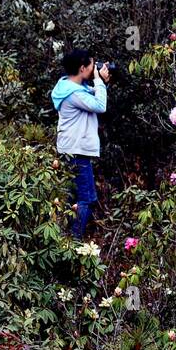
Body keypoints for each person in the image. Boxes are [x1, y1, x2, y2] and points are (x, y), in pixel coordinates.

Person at [50, 49, 110, 239]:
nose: (94, 68)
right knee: (87, 198)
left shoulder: (69, 87)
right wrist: (99, 81)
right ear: (82, 68)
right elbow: (100, 105)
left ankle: (64, 238)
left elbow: (92, 96)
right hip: (76, 152)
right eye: (92, 65)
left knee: (71, 199)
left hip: (71, 150)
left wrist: (101, 82)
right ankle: (73, 241)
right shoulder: (73, 94)